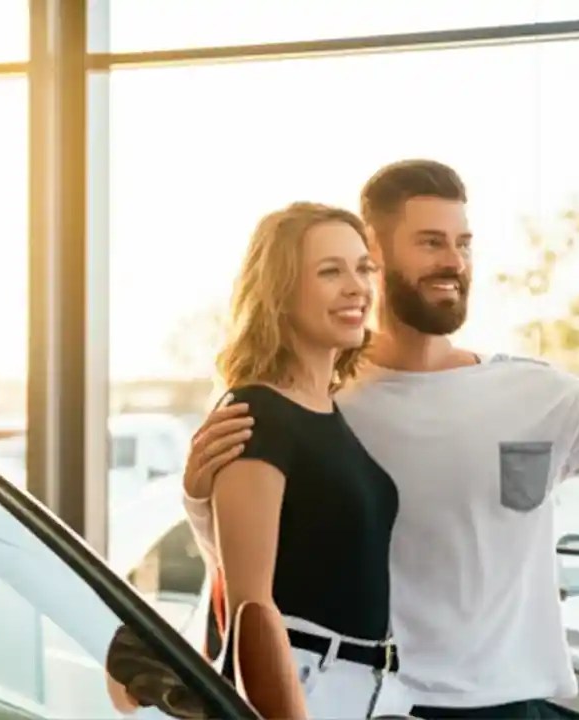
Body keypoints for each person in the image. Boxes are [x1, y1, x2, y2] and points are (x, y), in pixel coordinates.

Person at [183, 159, 579, 719]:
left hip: (509, 704)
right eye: (431, 242)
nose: (453, 261)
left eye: (463, 243)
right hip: (382, 702)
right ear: (377, 257)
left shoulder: (536, 396)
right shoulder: (321, 402)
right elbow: (257, 585)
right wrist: (198, 499)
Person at [201, 201, 409, 719]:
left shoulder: (330, 412)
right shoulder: (259, 413)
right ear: (281, 292)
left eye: (363, 268)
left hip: (361, 686)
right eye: (329, 271)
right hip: (306, 686)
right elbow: (251, 610)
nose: (356, 286)